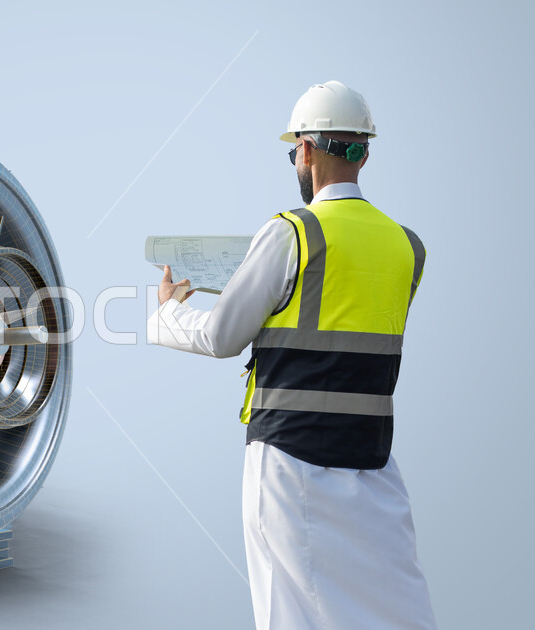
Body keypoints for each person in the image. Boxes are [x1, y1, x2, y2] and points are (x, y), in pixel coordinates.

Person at [146, 80, 437, 629]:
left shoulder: (291, 233)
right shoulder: (408, 246)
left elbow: (221, 338)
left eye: (293, 153)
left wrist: (166, 312)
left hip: (289, 460)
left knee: (290, 614)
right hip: (374, 466)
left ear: (304, 149)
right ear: (364, 151)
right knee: (398, 612)